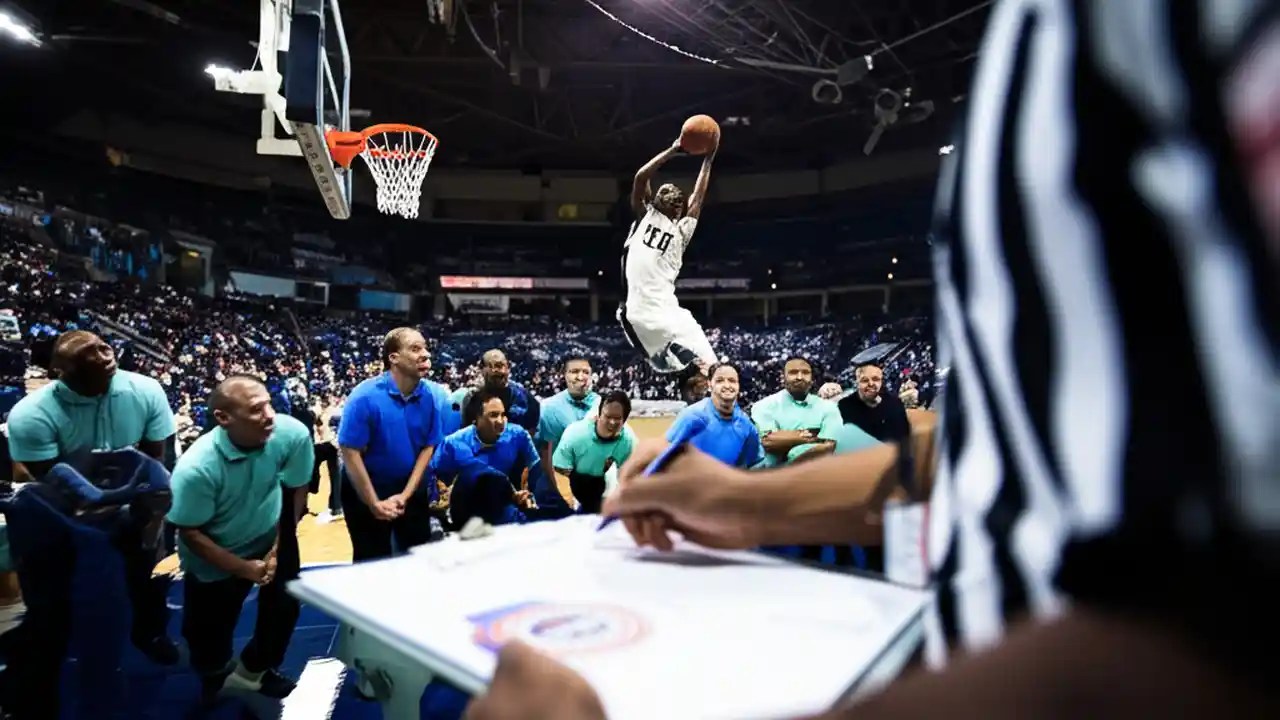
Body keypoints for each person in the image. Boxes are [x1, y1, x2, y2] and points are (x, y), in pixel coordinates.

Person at [464, 2, 1280, 719]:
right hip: (968, 641)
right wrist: (758, 502)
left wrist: (700, 160)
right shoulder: (1044, 40)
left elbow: (1229, 622)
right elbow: (1012, 455)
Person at [5, 330, 178, 664]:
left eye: (103, 346)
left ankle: (150, 633)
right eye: (88, 355)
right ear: (60, 371)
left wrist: (149, 516)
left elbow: (155, 460)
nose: (103, 355)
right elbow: (53, 483)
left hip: (129, 501)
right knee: (53, 589)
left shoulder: (146, 390)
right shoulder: (31, 414)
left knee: (147, 576)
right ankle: (51, 649)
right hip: (61, 510)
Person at [167, 375, 312, 702]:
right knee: (206, 634)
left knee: (285, 606)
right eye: (256, 410)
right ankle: (214, 672)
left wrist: (279, 546)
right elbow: (190, 532)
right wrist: (244, 568)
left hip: (271, 534)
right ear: (223, 418)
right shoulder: (196, 469)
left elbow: (296, 490)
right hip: (216, 552)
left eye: (269, 404)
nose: (270, 415)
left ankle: (256, 669)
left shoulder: (291, 434)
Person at [338, 327, 444, 561]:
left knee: (416, 557)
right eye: (415, 349)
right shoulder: (364, 396)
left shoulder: (429, 395)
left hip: (410, 488)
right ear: (393, 358)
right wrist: (373, 502)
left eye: (426, 348)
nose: (425, 354)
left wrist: (406, 495)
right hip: (366, 486)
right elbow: (350, 452)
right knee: (371, 561)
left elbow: (428, 447)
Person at [617, 136, 719, 376]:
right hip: (640, 310)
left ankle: (705, 380)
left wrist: (708, 159)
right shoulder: (645, 215)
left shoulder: (680, 231)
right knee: (675, 364)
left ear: (679, 209)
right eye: (666, 191)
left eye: (676, 195)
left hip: (670, 311)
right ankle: (676, 360)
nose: (672, 194)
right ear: (656, 200)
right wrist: (673, 151)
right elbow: (642, 177)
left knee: (714, 368)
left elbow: (698, 196)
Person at [429, 390, 563, 527]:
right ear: (476, 418)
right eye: (493, 415)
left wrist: (532, 497)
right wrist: (439, 501)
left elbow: (537, 472)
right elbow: (434, 477)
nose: (500, 421)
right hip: (469, 510)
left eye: (503, 415)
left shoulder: (518, 435)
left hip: (506, 504)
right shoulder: (453, 444)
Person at [551, 390, 637, 513]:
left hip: (602, 482)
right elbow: (559, 469)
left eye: (617, 418)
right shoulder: (575, 434)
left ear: (624, 419)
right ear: (599, 414)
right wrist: (568, 502)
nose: (612, 422)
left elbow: (630, 478)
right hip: (574, 478)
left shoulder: (628, 441)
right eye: (608, 416)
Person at [666, 363, 762, 468]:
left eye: (732, 381)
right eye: (720, 381)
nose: (727, 385)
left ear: (738, 386)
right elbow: (664, 454)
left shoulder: (746, 426)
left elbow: (750, 464)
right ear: (709, 385)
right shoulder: (691, 416)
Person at [751, 356, 842, 467]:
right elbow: (770, 442)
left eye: (805, 372)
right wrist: (816, 436)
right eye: (793, 373)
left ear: (811, 378)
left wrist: (789, 437)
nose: (799, 377)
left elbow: (830, 446)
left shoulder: (827, 407)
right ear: (782, 377)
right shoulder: (764, 406)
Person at [537, 356, 599, 504]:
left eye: (586, 372)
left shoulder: (602, 405)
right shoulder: (549, 408)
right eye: (574, 371)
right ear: (564, 375)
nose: (580, 376)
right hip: (562, 487)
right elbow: (544, 455)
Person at [837, 363, 910, 443]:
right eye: (864, 380)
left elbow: (904, 440)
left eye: (875, 379)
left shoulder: (895, 404)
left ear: (881, 381)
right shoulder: (845, 406)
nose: (871, 384)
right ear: (857, 383)